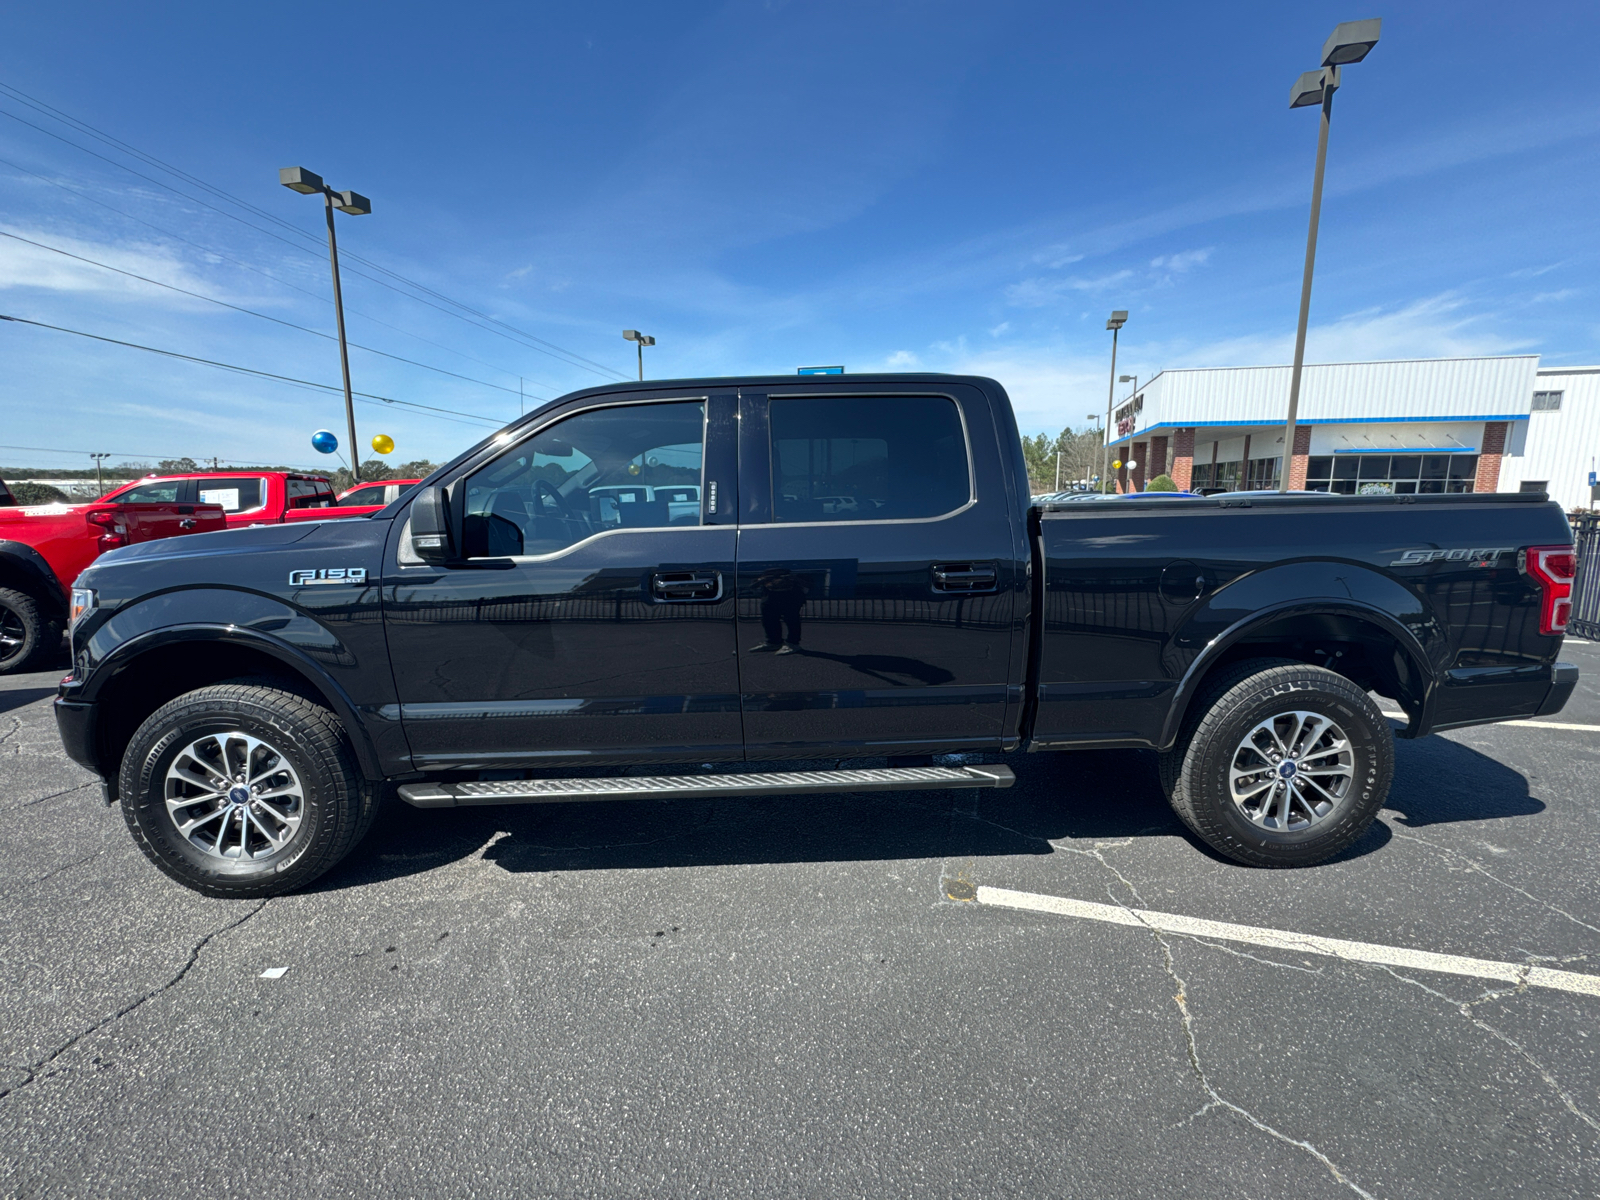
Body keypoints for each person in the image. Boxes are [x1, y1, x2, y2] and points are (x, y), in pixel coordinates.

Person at [751, 567, 806, 654]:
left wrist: (789, 578)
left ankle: (793, 643)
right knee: (769, 620)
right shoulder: (766, 575)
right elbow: (753, 585)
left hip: (790, 597)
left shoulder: (792, 576)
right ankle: (774, 641)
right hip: (770, 598)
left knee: (791, 620)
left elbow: (806, 584)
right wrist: (765, 579)